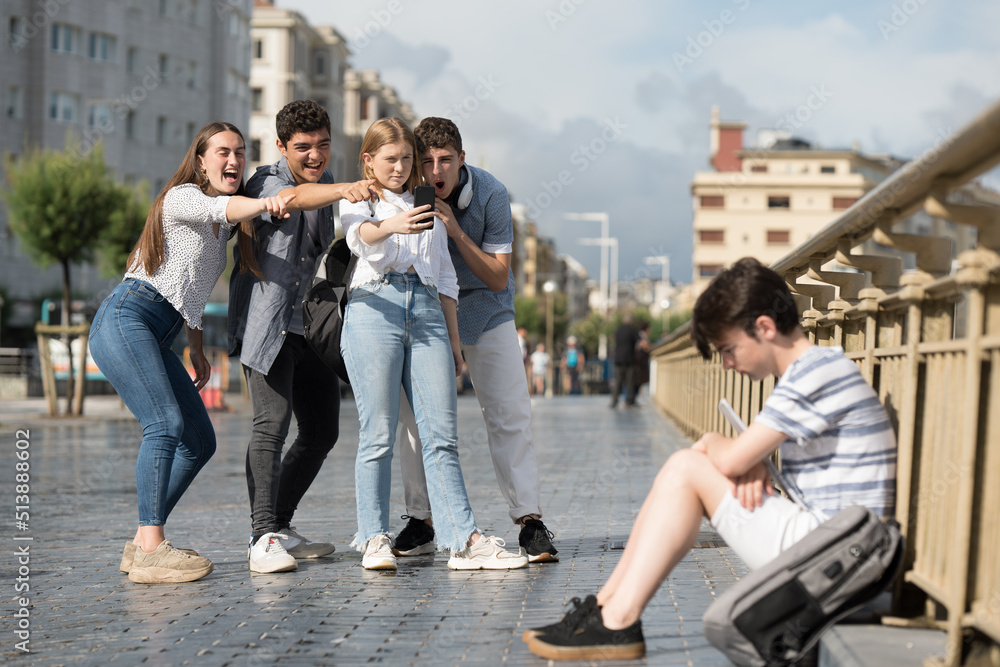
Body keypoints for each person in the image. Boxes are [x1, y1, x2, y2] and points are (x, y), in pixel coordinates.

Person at [525, 257, 897, 660]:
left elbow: (733, 459)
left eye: (729, 349)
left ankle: (616, 619)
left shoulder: (815, 373)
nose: (727, 363)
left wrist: (715, 441)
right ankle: (608, 609)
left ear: (765, 328)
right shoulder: (818, 369)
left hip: (839, 556)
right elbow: (740, 459)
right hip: (832, 546)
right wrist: (738, 457)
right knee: (686, 466)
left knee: (687, 467)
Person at [90, 122, 293, 584]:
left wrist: (196, 348)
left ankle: (142, 543)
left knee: (200, 440)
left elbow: (193, 291)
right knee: (165, 425)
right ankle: (152, 545)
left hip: (158, 332)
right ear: (200, 160)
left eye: (241, 153)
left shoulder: (216, 227)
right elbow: (225, 208)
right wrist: (266, 202)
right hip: (127, 318)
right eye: (223, 152)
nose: (234, 161)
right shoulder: (183, 197)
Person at [339, 117, 527, 572]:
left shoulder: (431, 207)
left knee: (441, 436)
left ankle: (463, 540)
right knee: (379, 434)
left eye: (408, 159)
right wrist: (393, 225)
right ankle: (374, 538)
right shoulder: (358, 199)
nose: (401, 168)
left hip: (426, 312)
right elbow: (358, 238)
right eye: (392, 159)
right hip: (373, 306)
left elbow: (445, 280)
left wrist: (455, 344)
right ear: (369, 160)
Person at [392, 117, 558, 564]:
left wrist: (455, 231)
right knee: (414, 424)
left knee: (509, 415)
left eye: (445, 160)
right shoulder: (405, 191)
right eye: (425, 162)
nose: (435, 172)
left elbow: (499, 275)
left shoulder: (491, 193)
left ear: (462, 159)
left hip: (487, 311)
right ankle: (422, 519)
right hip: (426, 314)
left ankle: (529, 521)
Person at [228, 100, 375, 574]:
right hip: (266, 326)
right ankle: (261, 536)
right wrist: (344, 189)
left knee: (323, 430)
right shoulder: (266, 183)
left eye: (323, 145)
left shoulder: (322, 195)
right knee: (271, 426)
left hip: (306, 328)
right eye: (303, 148)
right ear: (280, 147)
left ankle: (282, 527)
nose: (315, 155)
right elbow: (290, 201)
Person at [609, 314, 641, 408]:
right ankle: (631, 400)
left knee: (618, 381)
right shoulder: (633, 330)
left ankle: (614, 401)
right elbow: (639, 343)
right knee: (630, 381)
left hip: (618, 358)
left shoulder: (619, 330)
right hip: (629, 358)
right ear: (631, 321)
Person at [631, 322, 651, 400]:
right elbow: (646, 347)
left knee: (636, 381)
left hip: (637, 361)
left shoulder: (638, 334)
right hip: (640, 362)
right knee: (637, 381)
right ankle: (632, 399)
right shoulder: (643, 336)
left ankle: (632, 399)